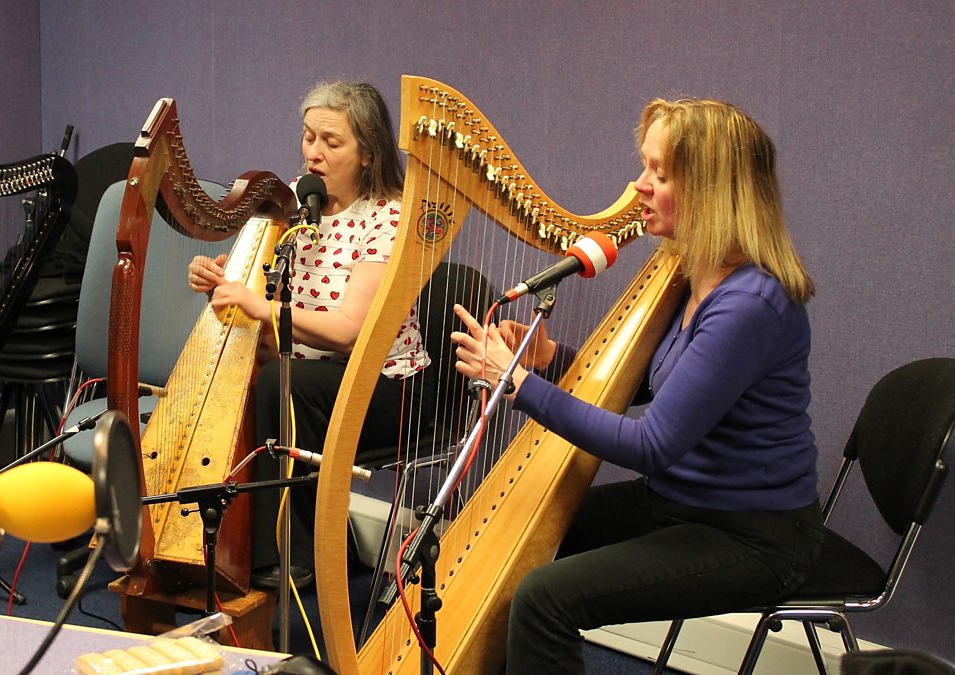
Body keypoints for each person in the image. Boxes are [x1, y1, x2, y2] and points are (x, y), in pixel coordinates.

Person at [450, 98, 824, 673]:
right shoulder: (692, 272)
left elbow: (651, 444)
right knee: (515, 541)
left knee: (545, 598)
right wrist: (551, 358)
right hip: (681, 503)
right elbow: (656, 384)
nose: (638, 186)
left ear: (712, 190)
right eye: (644, 166)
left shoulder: (750, 303)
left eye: (660, 173)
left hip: (751, 535)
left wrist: (518, 382)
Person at [187, 81, 433, 590]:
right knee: (268, 377)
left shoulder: (388, 217)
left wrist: (261, 304)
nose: (313, 153)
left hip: (387, 387)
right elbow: (282, 321)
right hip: (316, 378)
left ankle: (293, 555)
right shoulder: (303, 209)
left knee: (282, 383)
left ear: (368, 153)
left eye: (331, 142)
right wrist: (225, 284)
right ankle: (292, 548)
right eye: (307, 137)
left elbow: (348, 333)